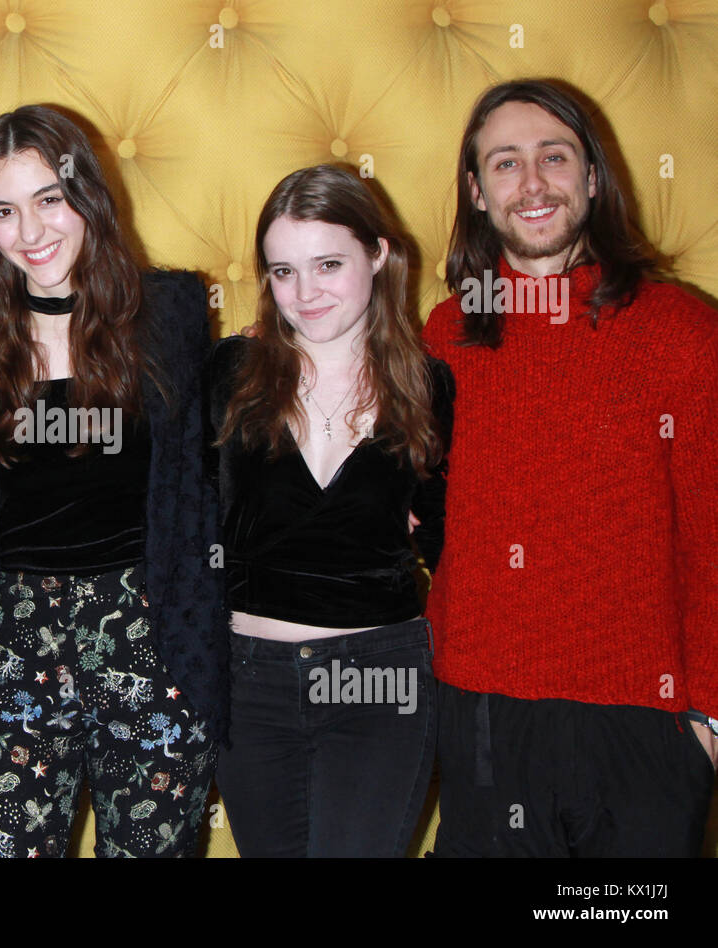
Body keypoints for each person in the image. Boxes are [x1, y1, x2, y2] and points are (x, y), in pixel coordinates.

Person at [0, 105, 227, 858]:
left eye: (50, 199)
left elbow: (212, 473)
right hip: (12, 649)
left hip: (151, 641)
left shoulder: (169, 313)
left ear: (90, 197)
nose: (32, 232)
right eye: (4, 211)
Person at [424, 79, 717, 856]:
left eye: (555, 157)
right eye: (506, 163)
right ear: (477, 192)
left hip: (644, 722)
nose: (533, 183)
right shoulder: (445, 335)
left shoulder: (682, 331)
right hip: (480, 706)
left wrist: (709, 720)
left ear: (593, 177)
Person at [208, 164, 452, 857]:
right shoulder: (231, 371)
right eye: (283, 272)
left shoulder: (430, 384)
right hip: (248, 678)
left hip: (380, 674)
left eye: (327, 264)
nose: (305, 293)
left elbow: (451, 534)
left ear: (378, 255)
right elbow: (181, 515)